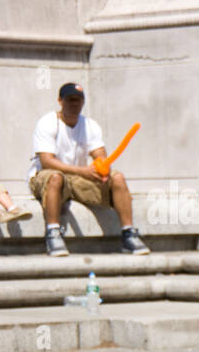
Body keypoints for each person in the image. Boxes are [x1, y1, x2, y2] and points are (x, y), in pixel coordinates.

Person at [27, 83, 150, 257]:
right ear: (60, 101)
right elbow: (47, 161)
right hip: (47, 177)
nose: (75, 104)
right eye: (70, 100)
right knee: (55, 177)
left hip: (77, 179)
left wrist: (103, 169)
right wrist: (83, 171)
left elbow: (100, 155)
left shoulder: (90, 125)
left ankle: (128, 234)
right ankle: (53, 233)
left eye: (79, 100)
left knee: (118, 178)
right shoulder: (48, 122)